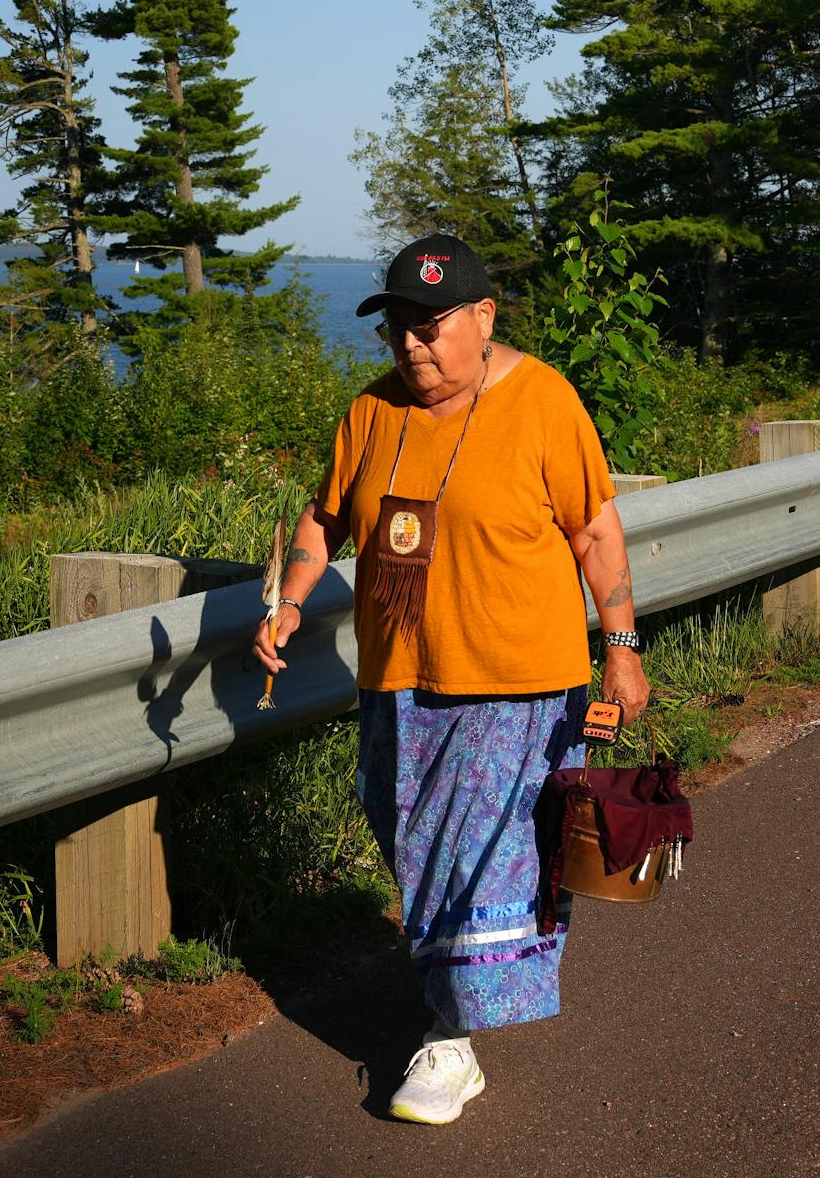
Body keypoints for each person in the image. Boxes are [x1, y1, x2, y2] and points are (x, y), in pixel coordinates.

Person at [252, 231, 647, 1126]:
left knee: (474, 851)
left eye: (431, 327)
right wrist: (289, 601)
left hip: (518, 680)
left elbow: (596, 533)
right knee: (415, 841)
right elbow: (324, 520)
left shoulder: (544, 402)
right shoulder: (371, 413)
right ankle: (456, 1001)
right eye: (398, 330)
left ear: (483, 317)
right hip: (398, 679)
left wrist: (620, 645)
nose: (413, 346)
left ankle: (449, 1037)